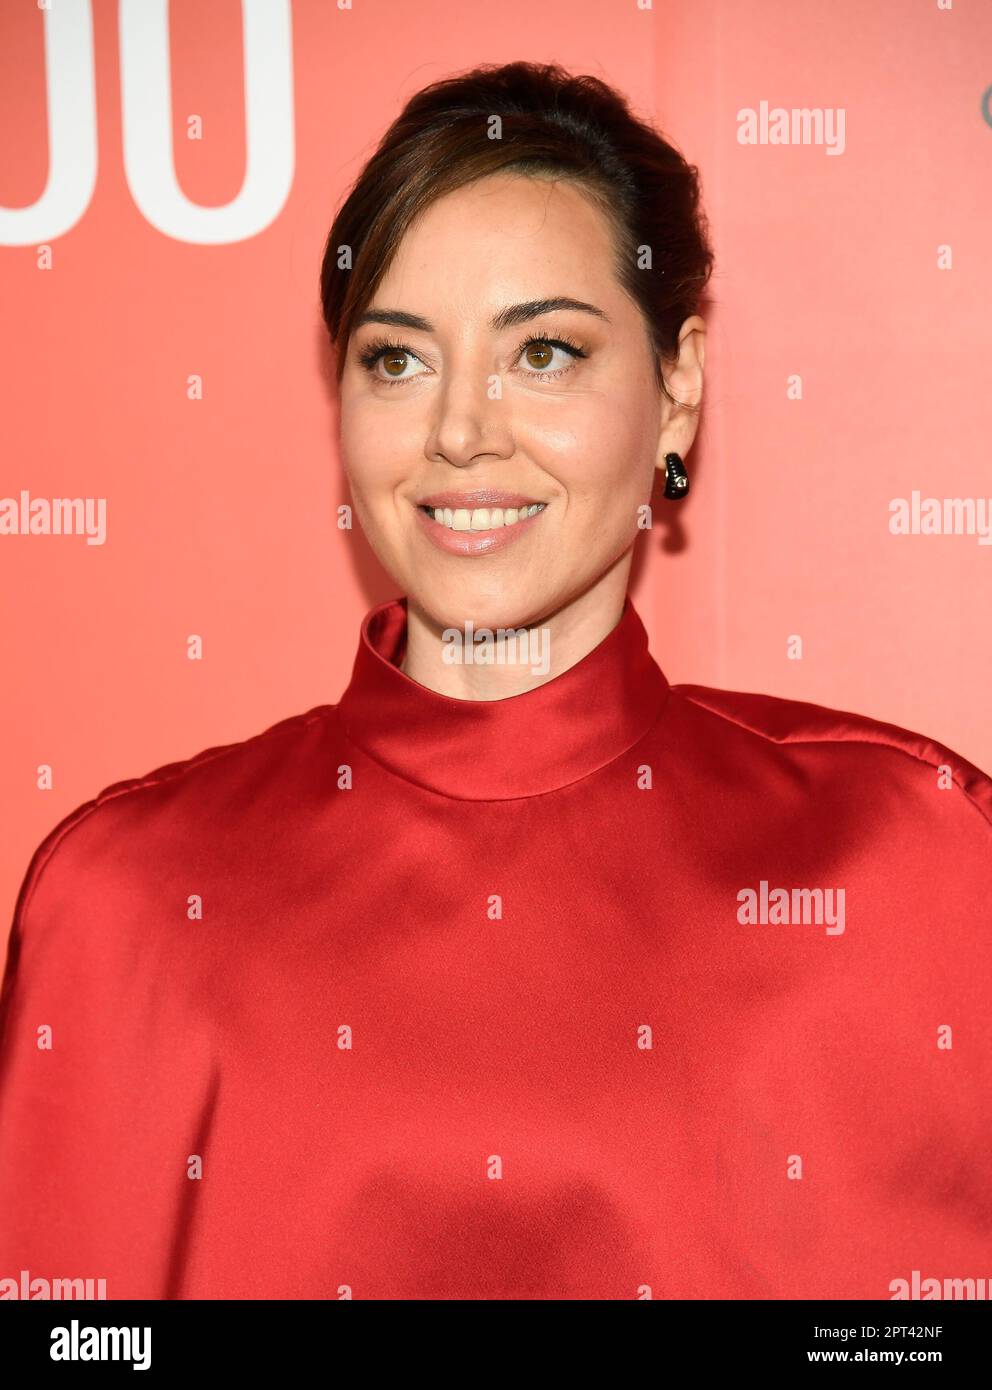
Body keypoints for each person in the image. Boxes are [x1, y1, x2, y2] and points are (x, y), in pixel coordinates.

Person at [1, 61, 989, 1302]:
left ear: (676, 386)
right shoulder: (127, 894)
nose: (461, 429)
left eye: (544, 351)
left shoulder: (910, 856)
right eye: (398, 362)